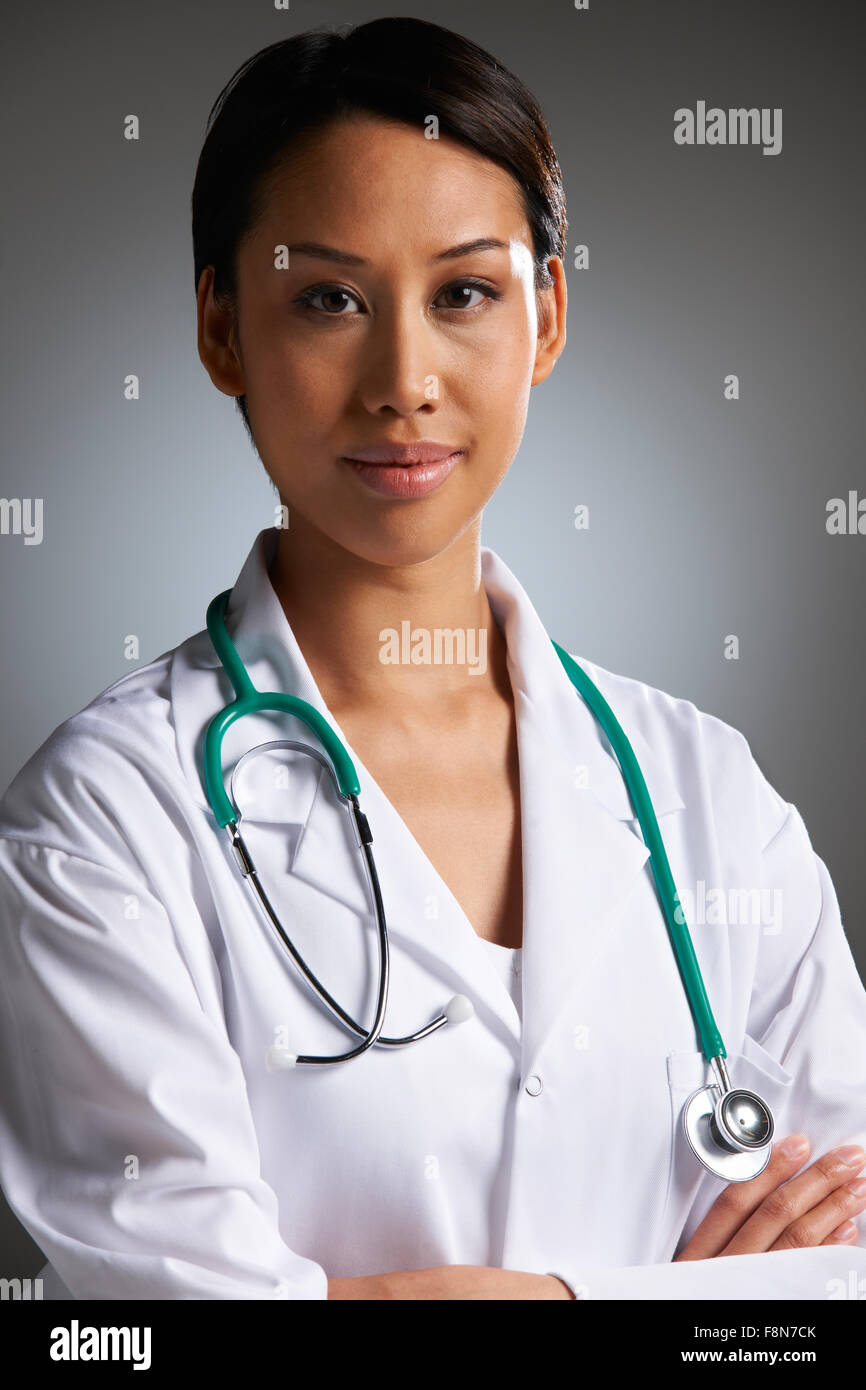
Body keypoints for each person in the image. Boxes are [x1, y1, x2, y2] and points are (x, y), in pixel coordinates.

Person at [0, 17, 864, 1301]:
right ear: (222, 326)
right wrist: (690, 1304)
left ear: (547, 316)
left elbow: (841, 1274)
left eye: (464, 291)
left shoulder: (709, 797)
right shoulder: (108, 814)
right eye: (329, 299)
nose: (403, 380)